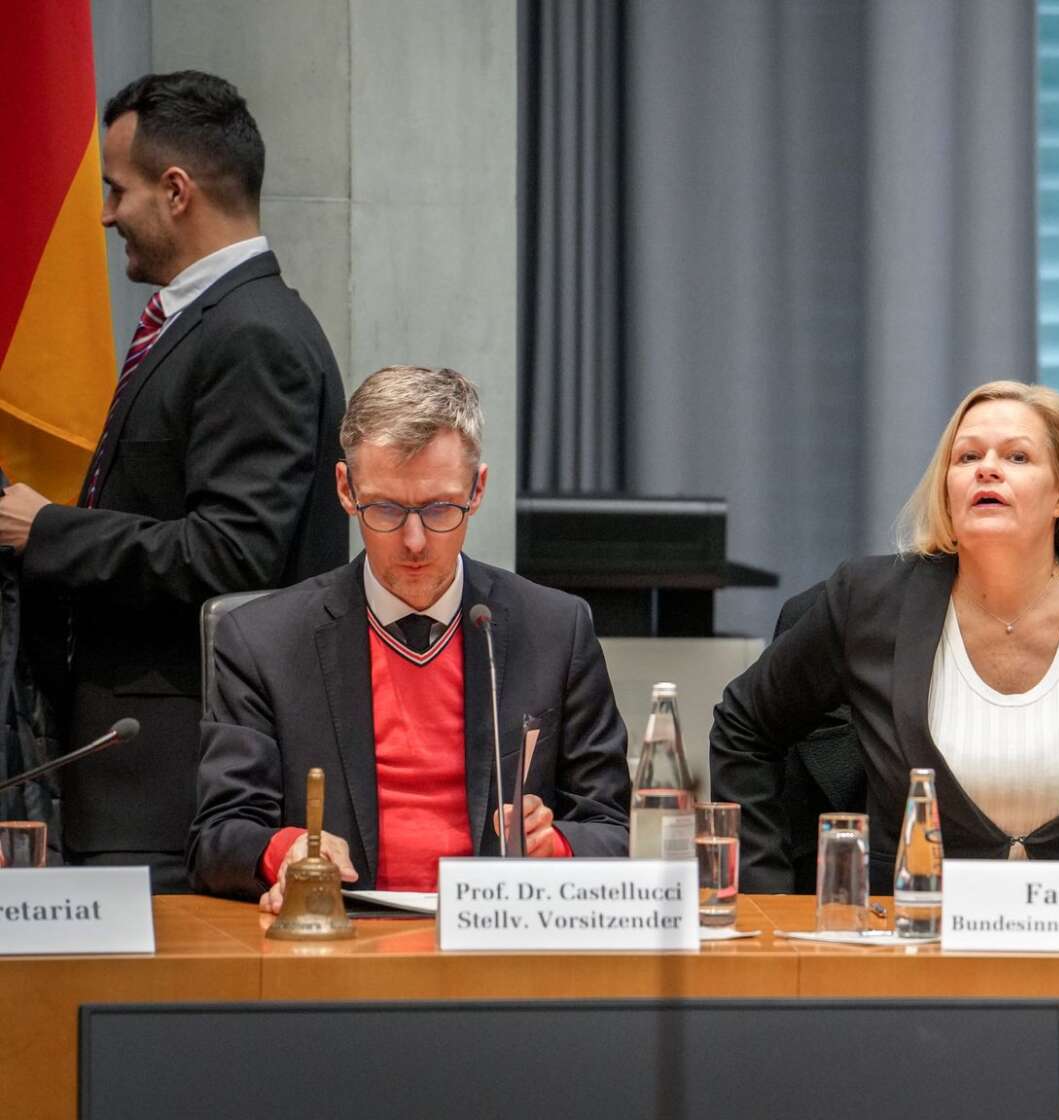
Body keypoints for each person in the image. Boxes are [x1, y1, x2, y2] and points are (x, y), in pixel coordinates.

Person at [710, 381, 1059, 892]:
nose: (987, 470)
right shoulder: (869, 600)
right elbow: (744, 725)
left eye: (1017, 456)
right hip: (916, 935)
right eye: (967, 457)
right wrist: (766, 899)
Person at [0, 71, 345, 889]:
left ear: (177, 190)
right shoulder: (209, 323)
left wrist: (45, 531)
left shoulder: (254, 335)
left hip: (172, 782)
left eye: (117, 190)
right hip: (128, 773)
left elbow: (234, 555)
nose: (107, 213)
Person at [188, 367, 630, 910]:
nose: (415, 541)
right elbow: (219, 836)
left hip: (500, 940)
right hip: (341, 936)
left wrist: (556, 845)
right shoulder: (263, 639)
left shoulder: (555, 628)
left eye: (441, 508)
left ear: (478, 489)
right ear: (347, 490)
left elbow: (615, 827)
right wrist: (287, 851)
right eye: (387, 509)